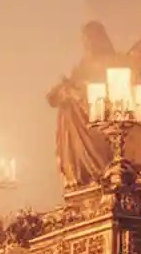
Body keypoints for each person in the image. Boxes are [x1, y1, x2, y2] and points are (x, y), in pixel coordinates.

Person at [47, 21, 126, 188]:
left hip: (95, 114)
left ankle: (97, 174)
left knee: (100, 147)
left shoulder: (111, 62)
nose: (87, 42)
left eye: (90, 37)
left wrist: (80, 92)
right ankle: (77, 176)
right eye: (85, 38)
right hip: (74, 117)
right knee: (68, 111)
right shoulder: (81, 65)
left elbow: (111, 90)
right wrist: (65, 90)